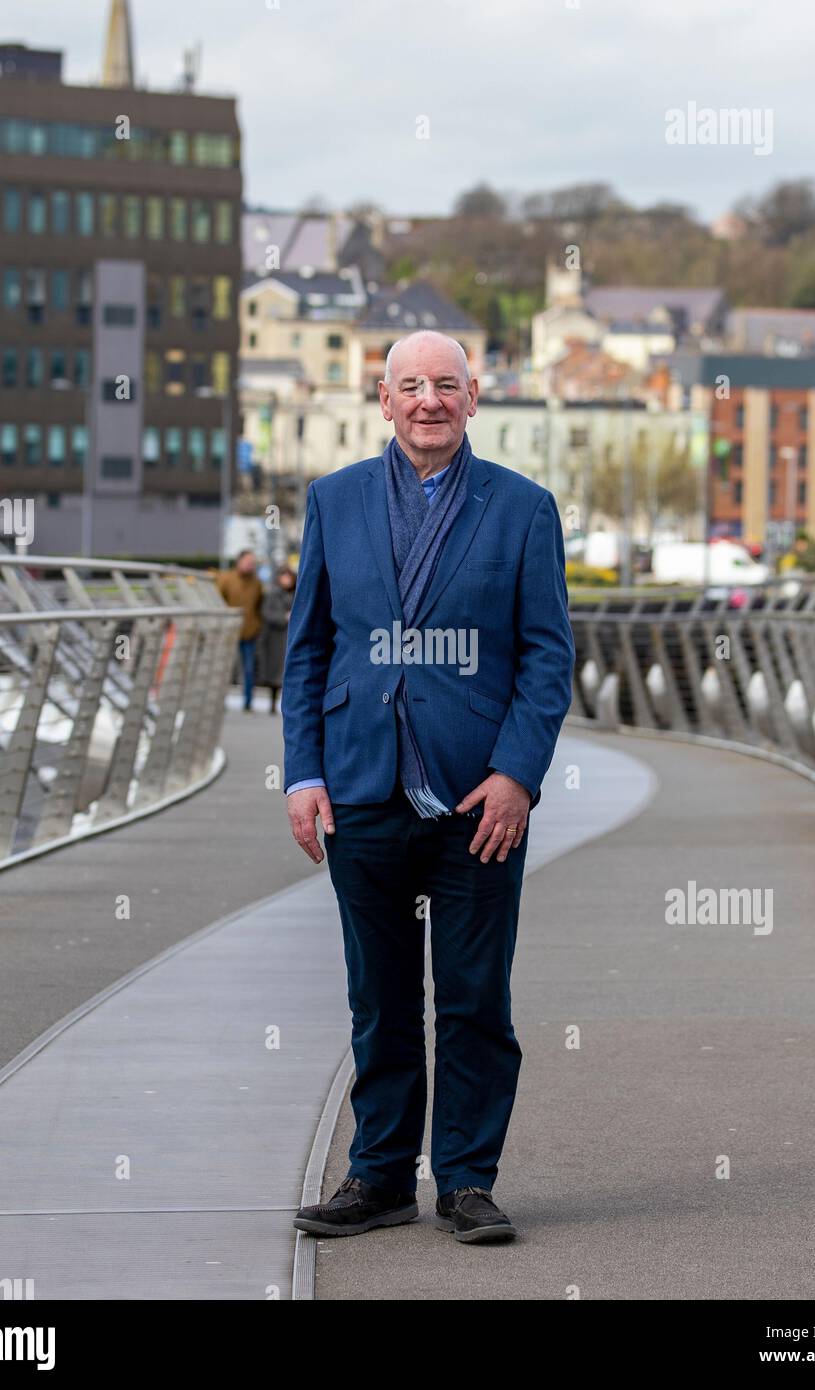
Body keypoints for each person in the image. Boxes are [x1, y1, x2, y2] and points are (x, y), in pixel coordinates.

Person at [282, 329, 574, 1245]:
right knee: (379, 999)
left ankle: (466, 1181)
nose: (429, 402)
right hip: (365, 787)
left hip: (477, 802)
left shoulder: (523, 509)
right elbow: (308, 652)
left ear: (474, 397)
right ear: (384, 400)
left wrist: (518, 777)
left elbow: (546, 657)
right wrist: (304, 772)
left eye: (445, 385)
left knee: (476, 999)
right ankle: (378, 1178)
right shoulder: (334, 501)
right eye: (411, 386)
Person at [215, 549, 263, 711]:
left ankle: (248, 703)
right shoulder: (226, 578)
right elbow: (217, 601)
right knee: (224, 669)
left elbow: (259, 605)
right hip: (229, 632)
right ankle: (219, 702)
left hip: (249, 632)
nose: (251, 565)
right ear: (239, 561)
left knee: (249, 670)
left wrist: (257, 626)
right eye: (248, 562)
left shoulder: (257, 582)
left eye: (253, 563)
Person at [257, 566, 296, 713]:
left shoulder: (298, 594)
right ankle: (272, 703)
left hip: (291, 638)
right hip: (275, 639)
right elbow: (266, 613)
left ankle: (287, 704)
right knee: (274, 673)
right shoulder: (273, 594)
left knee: (288, 673)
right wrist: (284, 618)